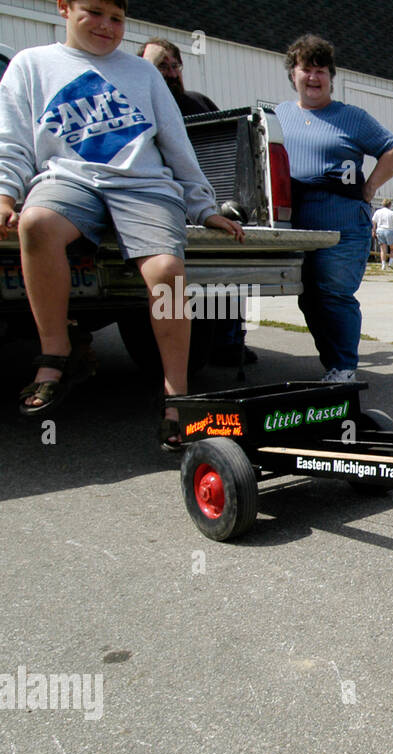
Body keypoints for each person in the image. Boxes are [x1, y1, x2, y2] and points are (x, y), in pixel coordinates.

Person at [0, 0, 244, 447]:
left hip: (143, 187)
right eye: (93, 12)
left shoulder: (143, 73)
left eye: (116, 19)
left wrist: (201, 205)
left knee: (167, 273)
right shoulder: (30, 65)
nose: (106, 27)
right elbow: (12, 140)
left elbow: (176, 143)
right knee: (34, 223)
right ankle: (56, 355)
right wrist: (6, 194)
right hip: (68, 178)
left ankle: (177, 392)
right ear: (64, 7)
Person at [276, 34, 393, 382]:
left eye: (321, 70)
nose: (314, 78)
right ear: (293, 74)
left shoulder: (352, 117)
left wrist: (370, 187)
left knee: (334, 294)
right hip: (296, 228)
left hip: (343, 227)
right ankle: (332, 364)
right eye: (306, 69)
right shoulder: (278, 115)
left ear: (332, 77)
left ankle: (344, 368)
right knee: (309, 298)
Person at [137, 37, 253, 367]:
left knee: (227, 271)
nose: (172, 73)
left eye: (176, 65)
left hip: (205, 201)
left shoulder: (198, 102)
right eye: (162, 65)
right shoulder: (136, 105)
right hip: (158, 205)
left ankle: (230, 342)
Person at [137, 37, 216, 116]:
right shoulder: (140, 110)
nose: (173, 75)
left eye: (175, 66)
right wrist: (148, 62)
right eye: (163, 66)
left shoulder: (200, 102)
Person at [371, 199, 393, 270]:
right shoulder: (392, 213)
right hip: (389, 230)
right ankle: (390, 263)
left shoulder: (377, 212)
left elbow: (374, 222)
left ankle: (383, 265)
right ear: (390, 205)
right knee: (392, 248)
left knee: (383, 249)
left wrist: (373, 231)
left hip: (380, 230)